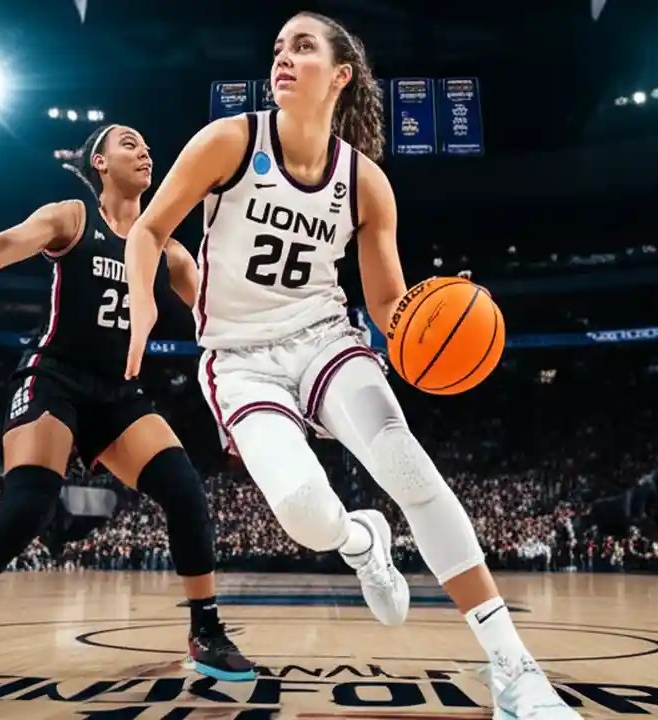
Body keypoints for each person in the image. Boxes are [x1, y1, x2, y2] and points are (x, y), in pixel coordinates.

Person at [120, 12, 579, 720]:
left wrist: (435, 324)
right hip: (240, 360)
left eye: (302, 46)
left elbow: (389, 305)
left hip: (326, 341)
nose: (282, 57)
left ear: (340, 75)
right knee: (306, 515)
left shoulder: (365, 183)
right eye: (278, 46)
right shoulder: (230, 141)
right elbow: (150, 228)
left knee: (408, 465)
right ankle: (362, 540)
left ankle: (513, 670)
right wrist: (144, 305)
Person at [0, 123, 257, 695]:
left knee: (185, 490)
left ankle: (206, 630)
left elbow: (221, 321)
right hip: (54, 377)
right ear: (99, 161)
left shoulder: (169, 251)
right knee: (30, 505)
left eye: (148, 145)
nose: (146, 151)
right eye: (129, 143)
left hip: (116, 391)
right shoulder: (72, 217)